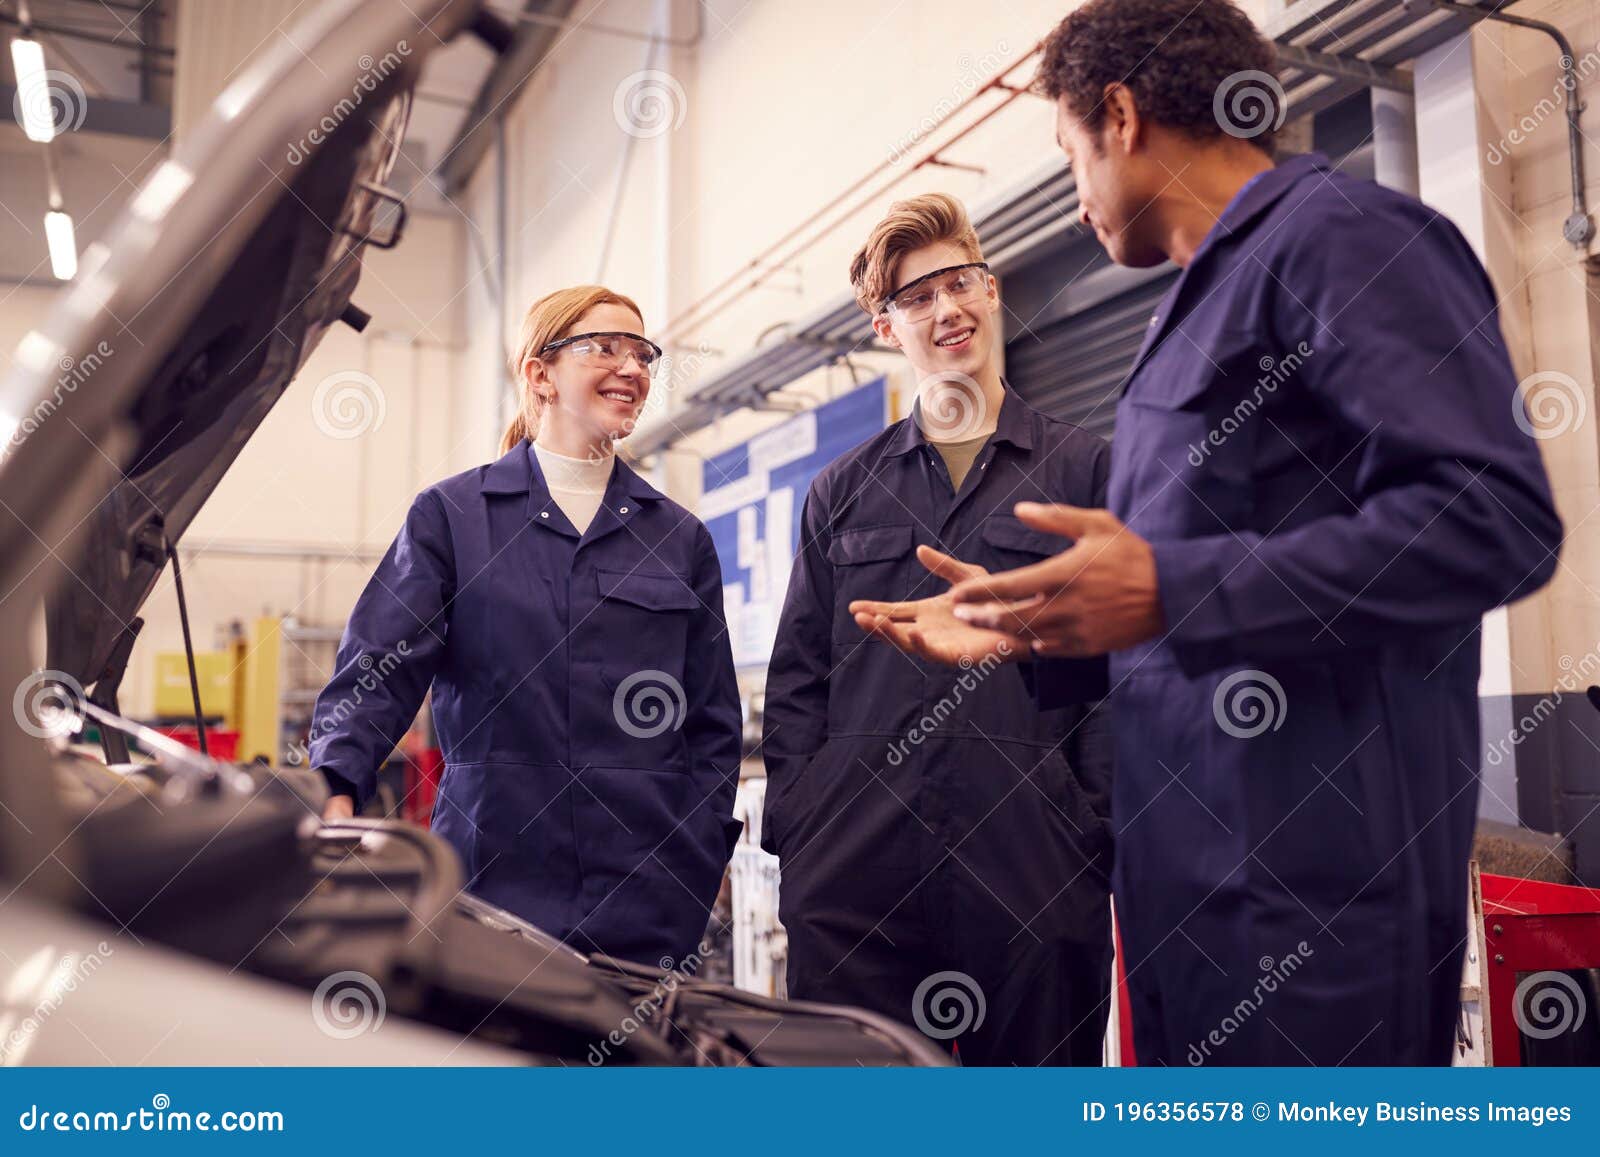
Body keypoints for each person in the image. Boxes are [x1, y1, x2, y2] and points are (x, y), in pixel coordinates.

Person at [852, 0, 1562, 1065]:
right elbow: (1182, 590)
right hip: (1185, 898)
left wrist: (1174, 590)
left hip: (1315, 907)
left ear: (1122, 115)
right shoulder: (1192, 309)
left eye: (1067, 148)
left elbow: (1492, 516)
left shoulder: (1345, 238)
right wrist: (1047, 626)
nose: (1075, 188)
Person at [762, 193, 1114, 1065]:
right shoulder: (841, 491)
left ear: (992, 293)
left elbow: (1121, 668)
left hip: (1036, 861)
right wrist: (804, 831)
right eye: (916, 298)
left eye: (958, 283)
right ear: (887, 328)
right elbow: (799, 676)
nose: (944, 309)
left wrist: (1092, 820)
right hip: (856, 870)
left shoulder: (1085, 469)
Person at [310, 285, 743, 967]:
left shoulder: (678, 538)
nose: (631, 367)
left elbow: (713, 722)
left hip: (647, 902)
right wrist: (335, 788)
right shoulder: (453, 518)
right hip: (490, 887)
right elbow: (374, 675)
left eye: (642, 353)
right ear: (539, 374)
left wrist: (695, 853)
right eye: (603, 347)